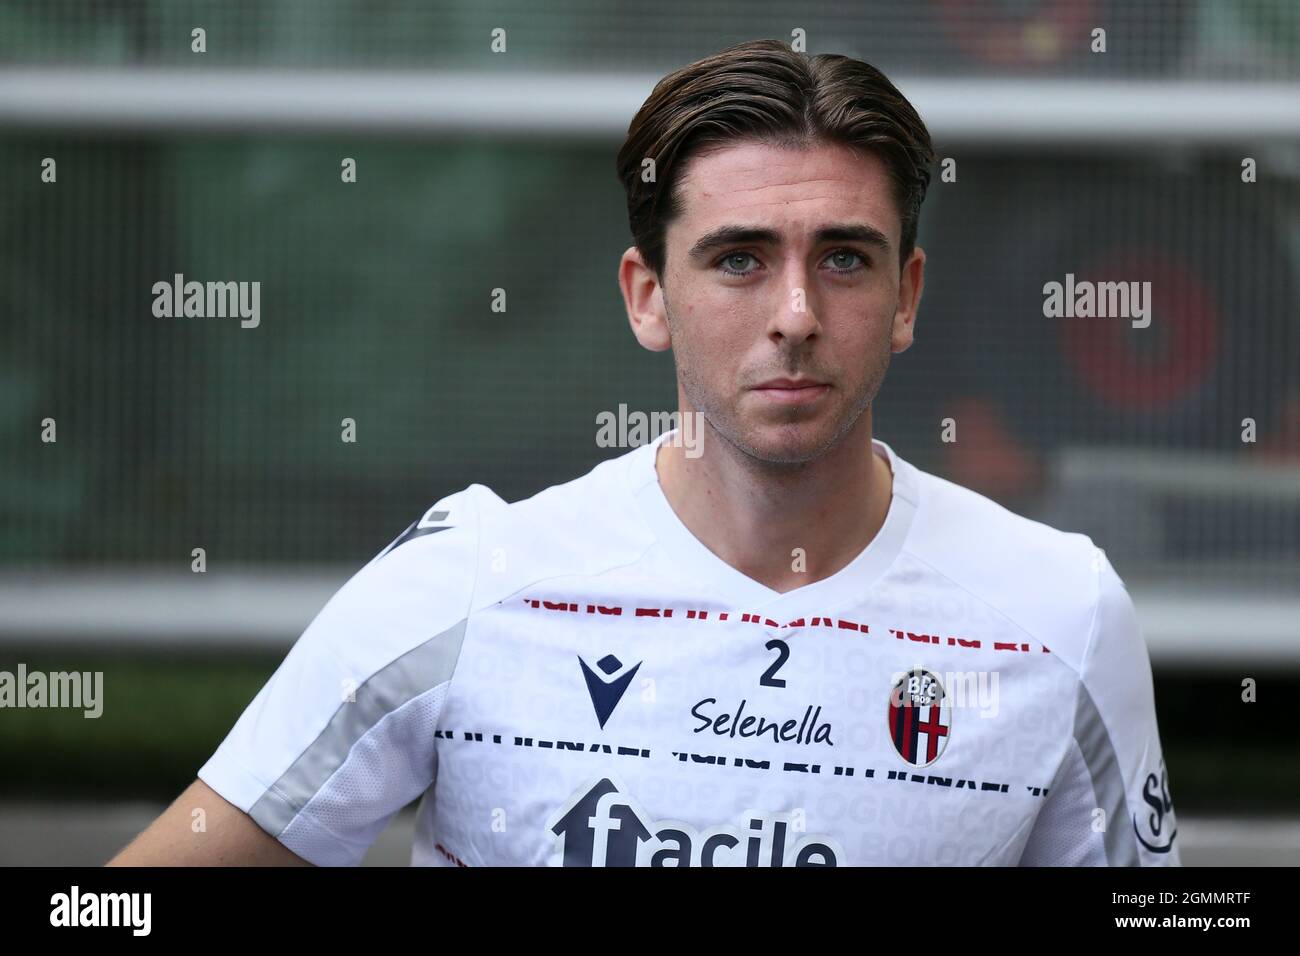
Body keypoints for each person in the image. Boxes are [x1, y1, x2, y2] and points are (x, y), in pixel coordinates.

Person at [110, 38, 1179, 867]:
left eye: (844, 258)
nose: (796, 313)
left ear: (904, 296)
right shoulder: (470, 580)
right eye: (739, 259)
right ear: (647, 296)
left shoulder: (1059, 610)